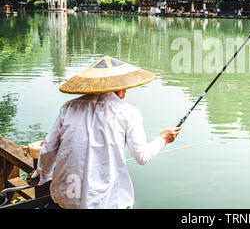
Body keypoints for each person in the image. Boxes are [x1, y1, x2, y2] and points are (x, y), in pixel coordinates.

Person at [27, 56, 181, 209]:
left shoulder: (69, 108)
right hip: (106, 200)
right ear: (118, 86)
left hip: (67, 199)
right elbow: (142, 157)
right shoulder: (127, 112)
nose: (125, 89)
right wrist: (162, 139)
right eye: (123, 84)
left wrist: (41, 176)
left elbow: (49, 148)